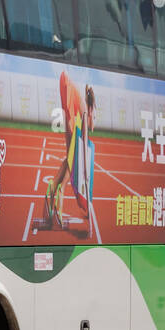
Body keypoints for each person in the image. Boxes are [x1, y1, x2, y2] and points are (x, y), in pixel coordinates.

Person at [44, 71, 96, 230]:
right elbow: (88, 132)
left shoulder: (84, 107)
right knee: (68, 175)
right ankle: (58, 210)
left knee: (66, 166)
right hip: (76, 140)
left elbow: (88, 129)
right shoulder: (86, 110)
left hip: (74, 137)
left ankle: (51, 190)